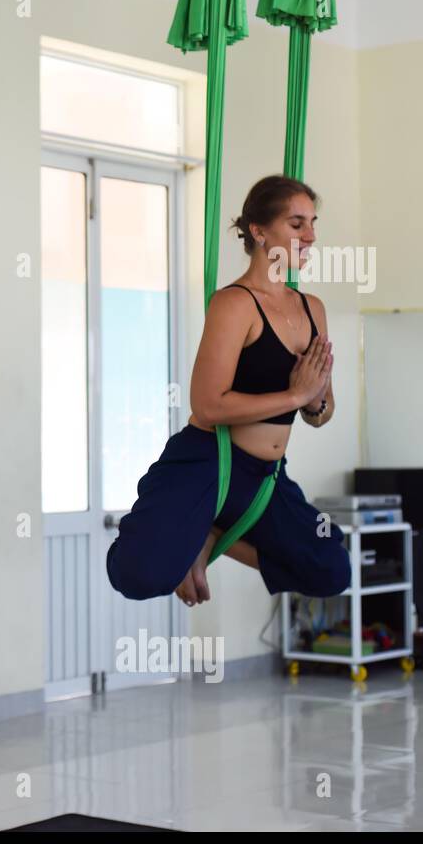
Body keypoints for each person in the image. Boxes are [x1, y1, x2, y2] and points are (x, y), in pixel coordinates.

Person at [106, 175, 351, 606]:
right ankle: (187, 536)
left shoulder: (313, 309)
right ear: (259, 231)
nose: (310, 236)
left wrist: (315, 401)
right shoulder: (234, 303)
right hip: (208, 460)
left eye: (313, 223)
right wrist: (295, 396)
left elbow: (321, 410)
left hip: (266, 476)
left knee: (330, 568)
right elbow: (207, 404)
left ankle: (210, 535)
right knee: (139, 575)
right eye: (296, 224)